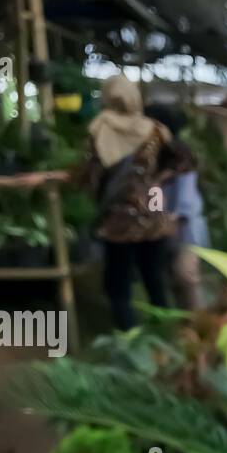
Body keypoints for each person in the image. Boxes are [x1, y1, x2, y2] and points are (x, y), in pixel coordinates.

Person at [81, 74, 187, 330]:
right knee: (154, 279)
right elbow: (183, 160)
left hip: (119, 221)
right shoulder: (155, 129)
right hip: (153, 214)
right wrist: (156, 180)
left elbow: (91, 175)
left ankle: (130, 342)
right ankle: (166, 338)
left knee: (119, 286)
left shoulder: (100, 128)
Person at [144, 103, 209, 312]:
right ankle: (188, 332)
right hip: (164, 232)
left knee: (186, 276)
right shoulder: (152, 158)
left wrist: (170, 219)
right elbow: (154, 197)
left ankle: (201, 328)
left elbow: (186, 201)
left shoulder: (182, 157)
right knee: (174, 283)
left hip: (185, 230)